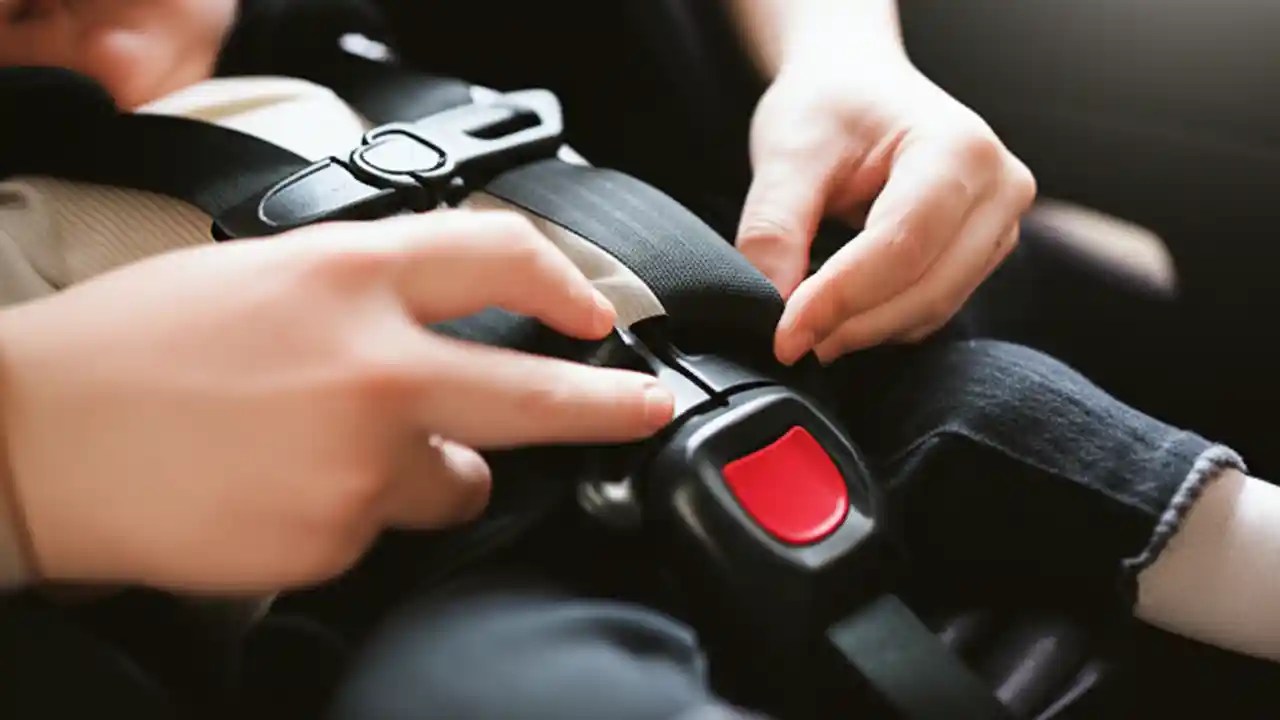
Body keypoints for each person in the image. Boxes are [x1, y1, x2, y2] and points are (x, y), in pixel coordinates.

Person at [1, 1, 1278, 718]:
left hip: (775, 367)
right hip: (452, 553)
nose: (102, 35)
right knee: (475, 696)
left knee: (1017, 416)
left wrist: (842, 54)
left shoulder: (356, 52)